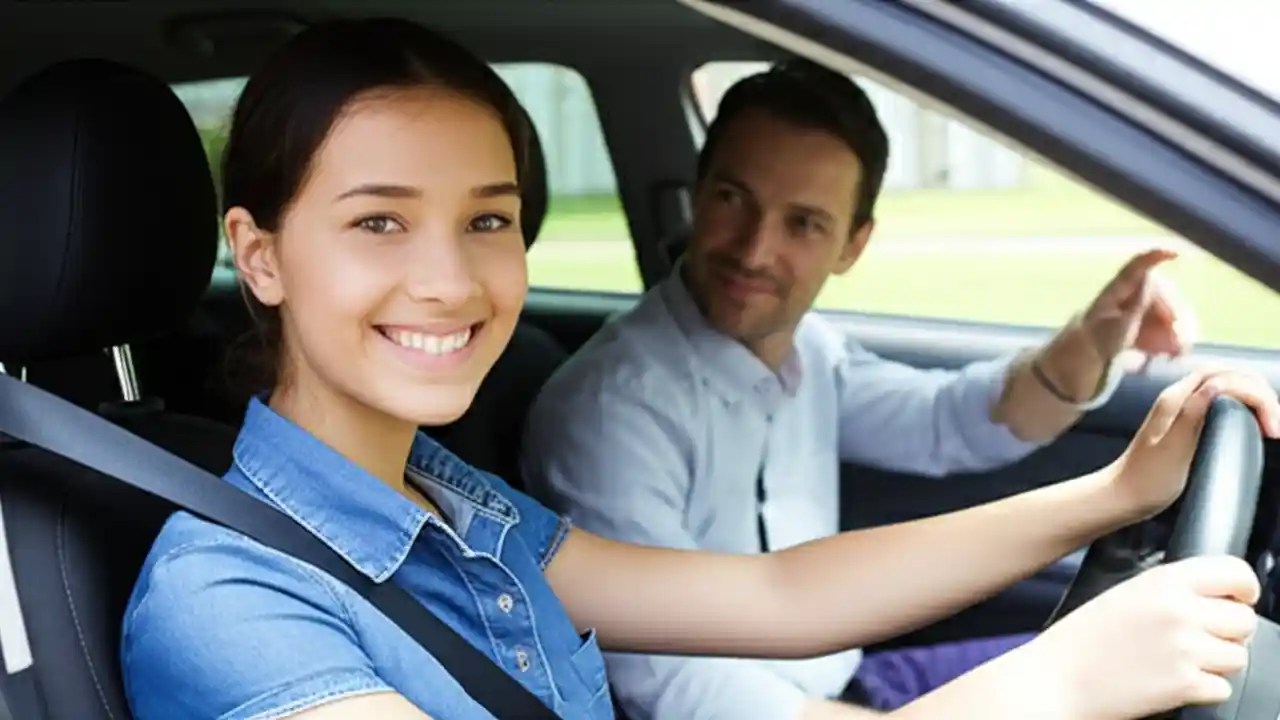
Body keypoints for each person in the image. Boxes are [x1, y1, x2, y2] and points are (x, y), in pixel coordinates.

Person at [118, 18, 1280, 720]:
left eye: (488, 221)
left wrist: (1114, 492)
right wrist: (1045, 689)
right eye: (378, 223)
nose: (451, 283)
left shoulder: (449, 501)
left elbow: (778, 597)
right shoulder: (226, 601)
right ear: (259, 256)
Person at [519, 60, 1205, 718]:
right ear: (697, 197)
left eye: (803, 223)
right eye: (734, 199)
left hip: (855, 682)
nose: (755, 251)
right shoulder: (610, 408)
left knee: (1172, 673)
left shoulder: (808, 351)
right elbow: (663, 682)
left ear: (852, 244)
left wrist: (1091, 341)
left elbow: (947, 424)